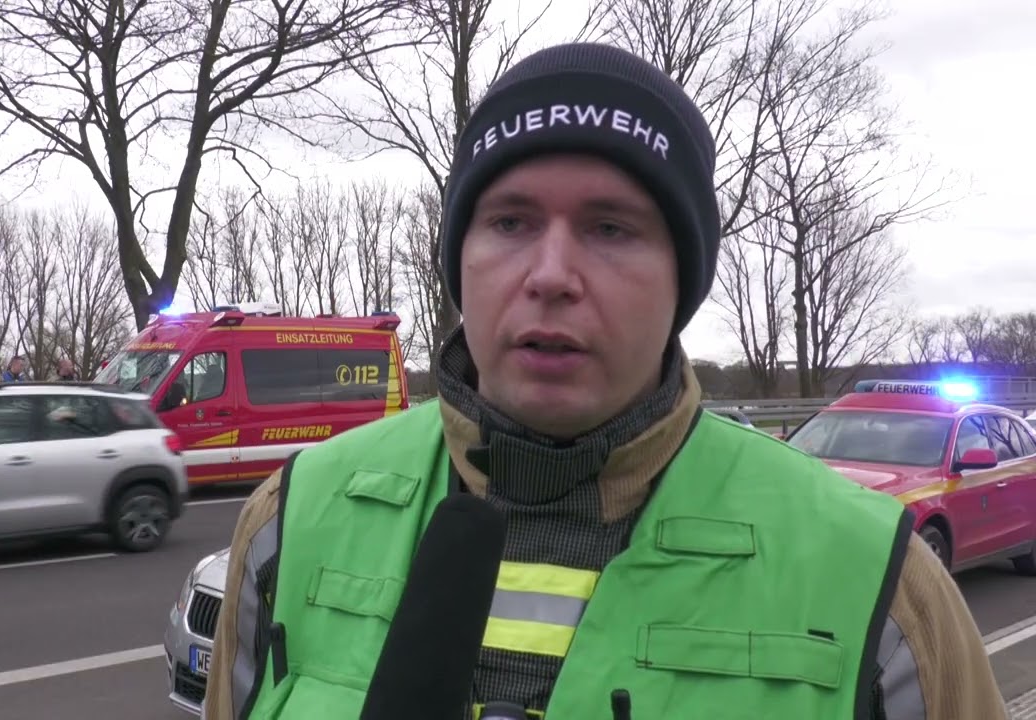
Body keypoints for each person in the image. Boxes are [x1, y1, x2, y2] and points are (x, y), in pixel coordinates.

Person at [204, 43, 1007, 720]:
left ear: (680, 285)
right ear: (460, 263)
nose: (551, 274)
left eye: (611, 228)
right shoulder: (291, 520)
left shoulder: (880, 580)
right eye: (511, 221)